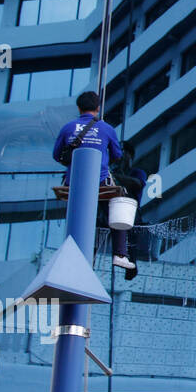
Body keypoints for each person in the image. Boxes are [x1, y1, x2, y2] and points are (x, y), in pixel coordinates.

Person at [51, 91, 134, 276]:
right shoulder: (106, 129)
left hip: (73, 184)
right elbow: (118, 155)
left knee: (82, 219)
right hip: (100, 183)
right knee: (118, 206)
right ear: (98, 109)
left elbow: (57, 155)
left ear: (79, 108)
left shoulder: (67, 128)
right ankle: (120, 254)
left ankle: (77, 257)